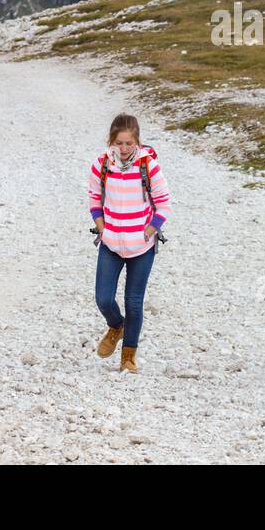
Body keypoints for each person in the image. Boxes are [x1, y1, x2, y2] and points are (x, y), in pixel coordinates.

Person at [87, 113, 170, 373]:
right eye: (119, 143)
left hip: (142, 246)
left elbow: (164, 201)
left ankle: (128, 358)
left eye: (129, 144)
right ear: (111, 141)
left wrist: (150, 229)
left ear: (137, 142)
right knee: (103, 298)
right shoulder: (101, 165)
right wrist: (102, 228)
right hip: (111, 243)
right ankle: (116, 325)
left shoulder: (149, 166)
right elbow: (94, 199)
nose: (123, 149)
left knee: (134, 301)